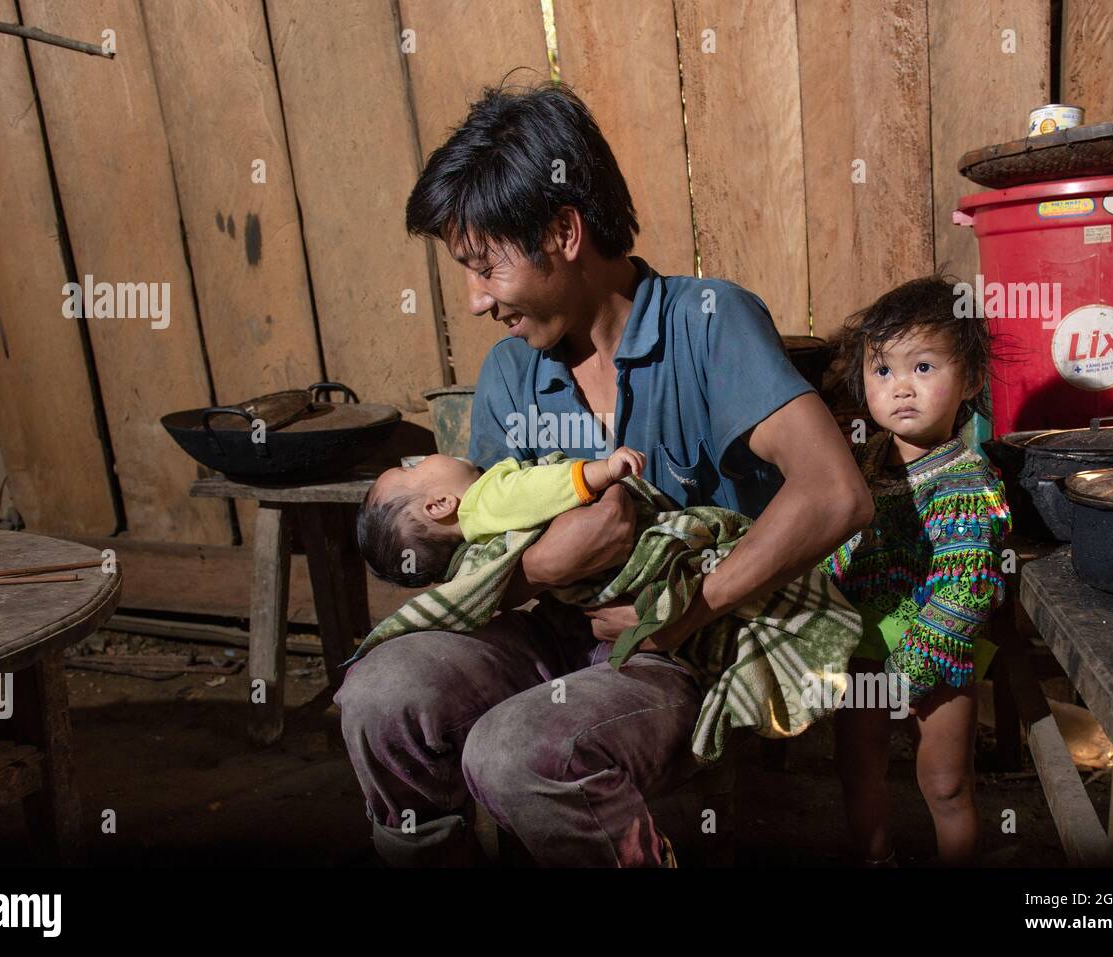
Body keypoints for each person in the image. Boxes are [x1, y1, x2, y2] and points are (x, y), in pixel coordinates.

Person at [336, 81, 873, 867]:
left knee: (517, 750)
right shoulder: (510, 372)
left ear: (563, 229)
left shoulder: (706, 323)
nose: (477, 299)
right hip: (546, 634)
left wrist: (684, 609)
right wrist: (539, 566)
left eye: (485, 266)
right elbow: (492, 545)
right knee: (379, 694)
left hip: (678, 651)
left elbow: (835, 492)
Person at [819, 276, 1011, 865]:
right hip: (861, 641)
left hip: (939, 646)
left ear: (971, 381)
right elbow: (830, 541)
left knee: (946, 782)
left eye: (924, 367)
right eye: (883, 372)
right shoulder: (858, 461)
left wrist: (914, 668)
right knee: (859, 771)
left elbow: (967, 590)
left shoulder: (968, 484)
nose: (902, 387)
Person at [356, 447, 644, 587]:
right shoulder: (487, 502)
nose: (422, 458)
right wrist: (604, 470)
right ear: (440, 504)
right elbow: (537, 491)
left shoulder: (477, 531)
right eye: (411, 469)